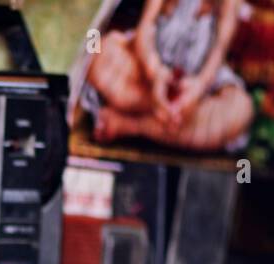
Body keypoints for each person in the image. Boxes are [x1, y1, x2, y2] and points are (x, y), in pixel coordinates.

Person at [84, 0, 254, 152]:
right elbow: (145, 29)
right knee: (99, 52)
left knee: (241, 109)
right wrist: (156, 73)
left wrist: (198, 86)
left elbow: (219, 51)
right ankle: (166, 117)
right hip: (148, 79)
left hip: (196, 91)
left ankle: (131, 126)